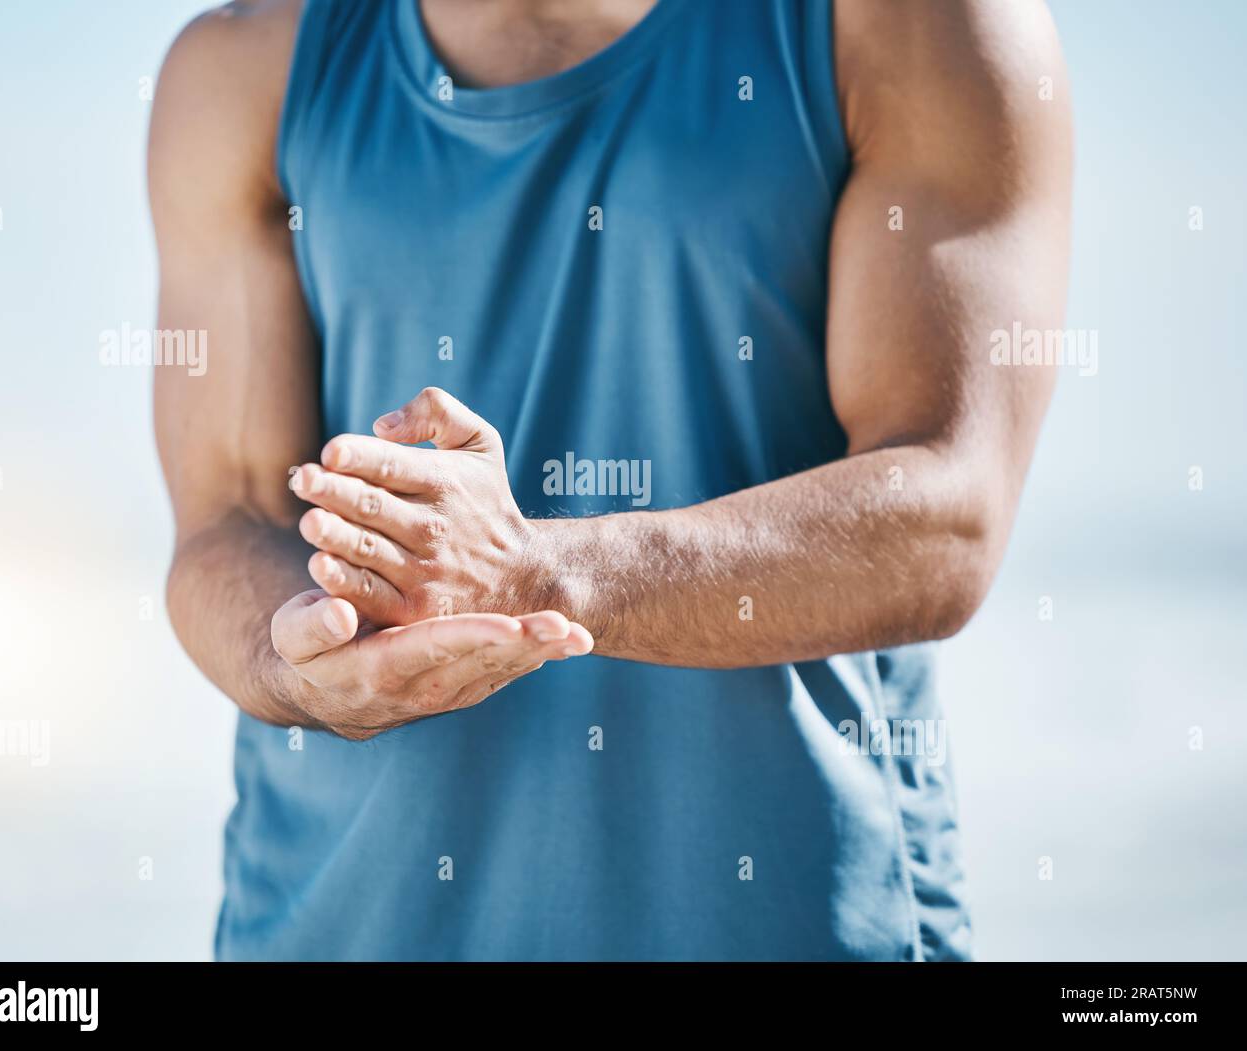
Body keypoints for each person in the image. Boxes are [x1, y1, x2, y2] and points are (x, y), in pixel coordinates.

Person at [151, 0, 1072, 960]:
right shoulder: (244, 68)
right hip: (332, 928)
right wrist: (292, 665)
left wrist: (541, 571)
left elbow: (948, 516)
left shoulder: (913, 24)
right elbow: (225, 515)